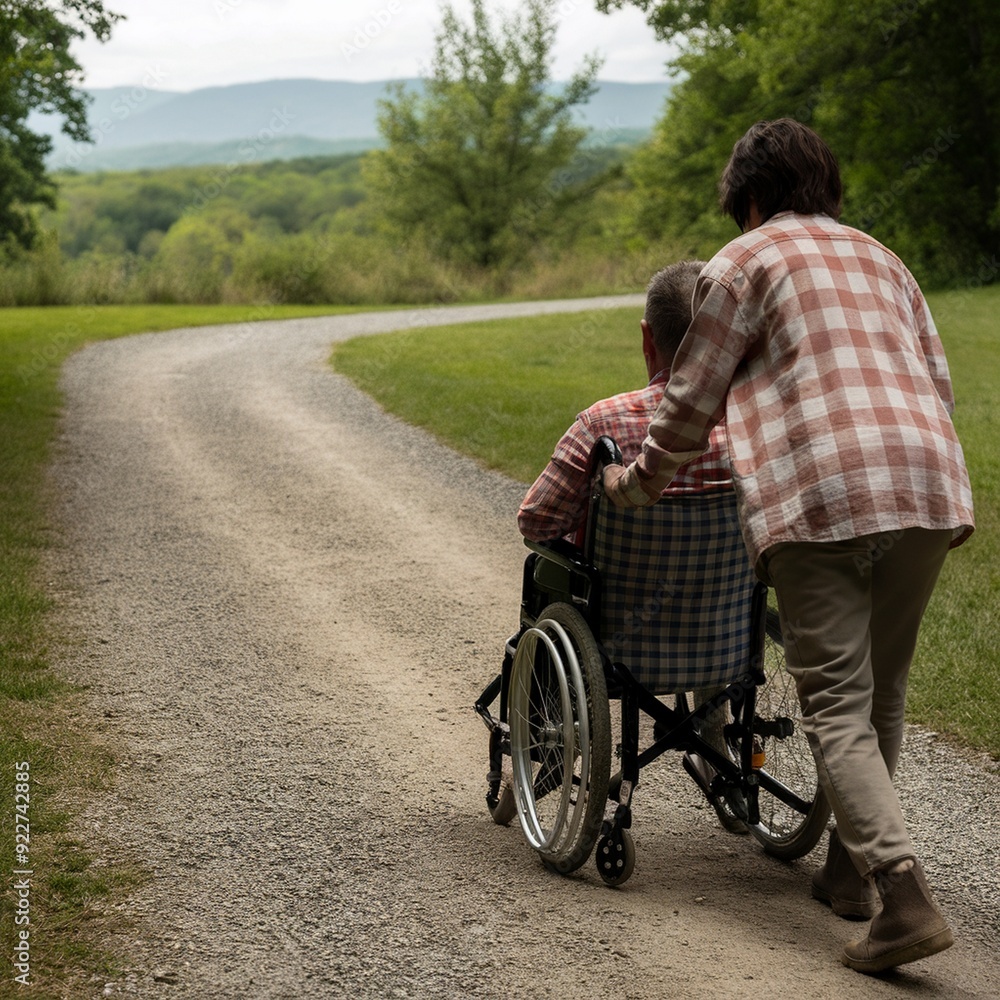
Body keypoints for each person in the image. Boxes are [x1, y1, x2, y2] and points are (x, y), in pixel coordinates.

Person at [604, 119, 974, 974]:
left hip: (823, 491)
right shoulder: (885, 258)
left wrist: (638, 484)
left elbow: (691, 397)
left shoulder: (745, 261)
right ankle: (849, 876)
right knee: (881, 691)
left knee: (836, 703)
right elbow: (937, 380)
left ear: (753, 196)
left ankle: (905, 896)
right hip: (924, 482)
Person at [519, 261, 745, 835]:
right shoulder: (753, 426)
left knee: (543, 568)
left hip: (620, 645)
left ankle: (553, 739)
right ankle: (714, 736)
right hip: (722, 634)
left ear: (648, 337)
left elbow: (535, 520)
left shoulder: (605, 423)